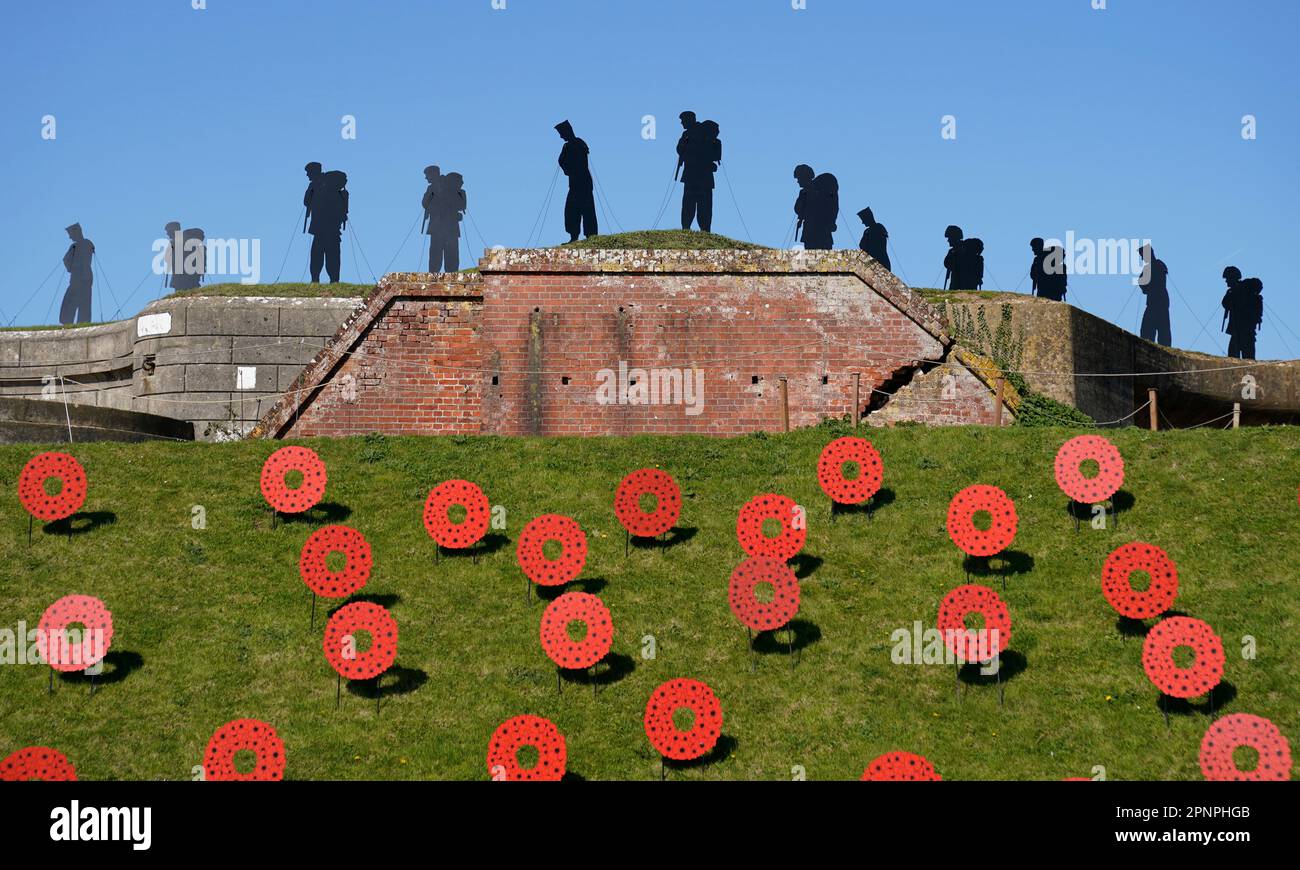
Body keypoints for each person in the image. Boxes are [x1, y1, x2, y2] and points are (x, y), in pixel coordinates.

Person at [303, 161, 349, 283]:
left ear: (314, 171)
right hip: (333, 228)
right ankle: (334, 281)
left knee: (317, 257)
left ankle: (315, 281)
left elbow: (306, 201)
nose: (307, 176)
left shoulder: (315, 185)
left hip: (320, 229)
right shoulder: (331, 185)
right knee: (332, 256)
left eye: (308, 173)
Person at [555, 120, 597, 242]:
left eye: (562, 133)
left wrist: (570, 167)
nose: (561, 136)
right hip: (574, 184)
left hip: (583, 183)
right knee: (571, 210)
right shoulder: (567, 146)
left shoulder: (579, 144)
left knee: (587, 208)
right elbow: (561, 160)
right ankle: (574, 236)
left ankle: (591, 235)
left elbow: (579, 162)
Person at [422, 166, 466, 272]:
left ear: (434, 173)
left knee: (443, 254)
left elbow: (425, 203)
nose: (426, 178)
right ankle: (445, 275)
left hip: (442, 226)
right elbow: (425, 204)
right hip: (446, 227)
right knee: (442, 254)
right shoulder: (435, 187)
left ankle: (443, 276)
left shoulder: (440, 187)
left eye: (427, 176)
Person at [680, 119, 720, 232]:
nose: (682, 123)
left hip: (693, 177)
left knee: (691, 204)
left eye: (683, 121)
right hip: (704, 178)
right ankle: (703, 230)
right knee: (703, 206)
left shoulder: (689, 134)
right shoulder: (702, 134)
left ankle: (688, 228)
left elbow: (680, 150)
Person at [1221, 266, 1264, 360]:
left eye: (1227, 278)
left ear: (1232, 277)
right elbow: (1225, 303)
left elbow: (1226, 303)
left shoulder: (1243, 289)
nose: (1226, 281)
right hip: (1238, 331)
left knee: (1247, 358)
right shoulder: (1232, 292)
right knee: (1233, 357)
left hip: (1245, 331)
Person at [793, 165, 837, 250]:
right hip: (809, 232)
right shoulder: (803, 193)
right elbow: (798, 209)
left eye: (799, 178)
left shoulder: (820, 192)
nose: (798, 181)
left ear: (804, 177)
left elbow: (831, 207)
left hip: (821, 231)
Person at [1136, 243, 1171, 346]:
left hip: (1156, 303)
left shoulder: (1155, 266)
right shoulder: (1158, 266)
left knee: (1151, 330)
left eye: (1143, 256)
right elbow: (1141, 282)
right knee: (1154, 331)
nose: (1142, 259)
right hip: (1158, 302)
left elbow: (1142, 282)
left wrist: (1147, 288)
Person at [59, 223, 94, 325]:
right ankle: (79, 323)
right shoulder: (87, 244)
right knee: (83, 305)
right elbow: (66, 260)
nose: (70, 237)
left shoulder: (77, 246)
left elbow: (66, 260)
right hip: (84, 279)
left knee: (78, 304)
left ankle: (77, 323)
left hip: (79, 280)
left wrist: (71, 267)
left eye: (71, 234)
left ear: (76, 232)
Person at [1029, 237, 1067, 301]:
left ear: (1038, 246)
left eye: (1033, 247)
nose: (1032, 249)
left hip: (1044, 290)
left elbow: (1033, 275)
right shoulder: (1050, 258)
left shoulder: (1039, 260)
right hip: (1055, 291)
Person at [943, 225, 968, 290]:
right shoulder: (952, 251)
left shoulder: (963, 250)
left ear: (954, 237)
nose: (948, 240)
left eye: (949, 238)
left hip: (961, 282)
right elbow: (946, 263)